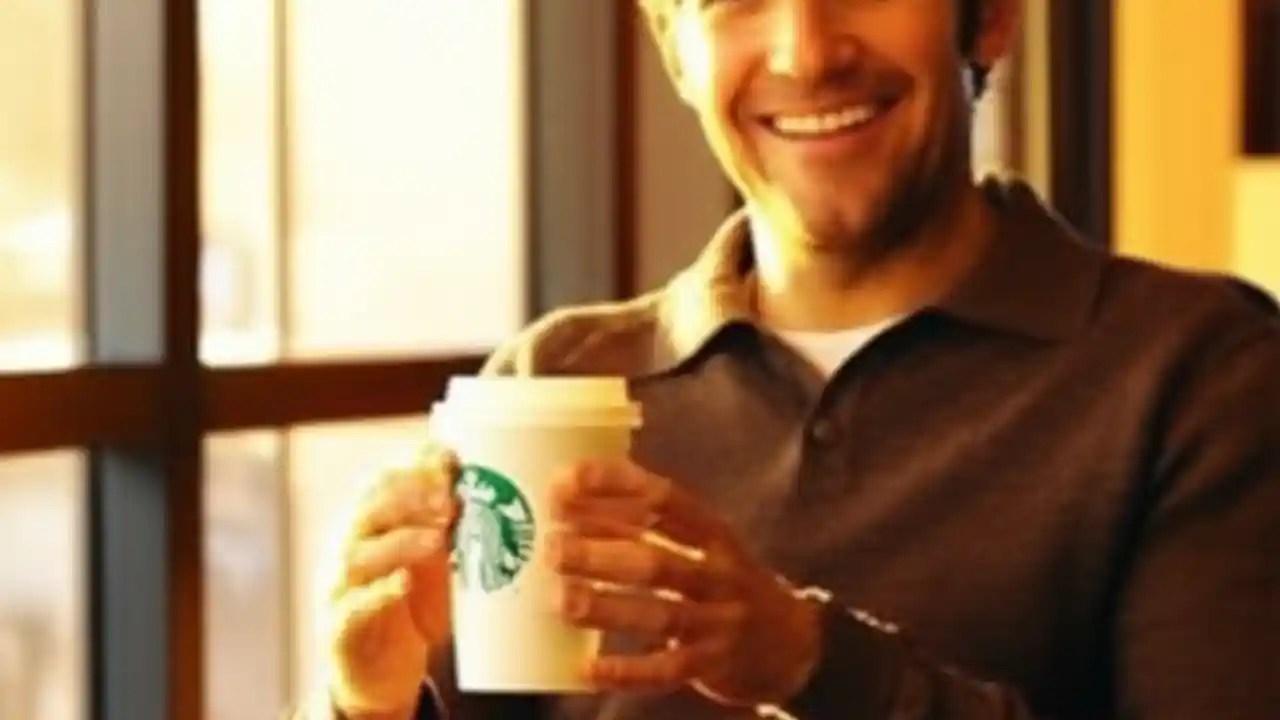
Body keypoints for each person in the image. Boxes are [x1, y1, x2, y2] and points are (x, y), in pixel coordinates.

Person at [318, 0, 1280, 718]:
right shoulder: (557, 382)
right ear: (676, 53)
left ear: (987, 20)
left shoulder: (1201, 371)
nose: (806, 51)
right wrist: (362, 698)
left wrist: (812, 663)